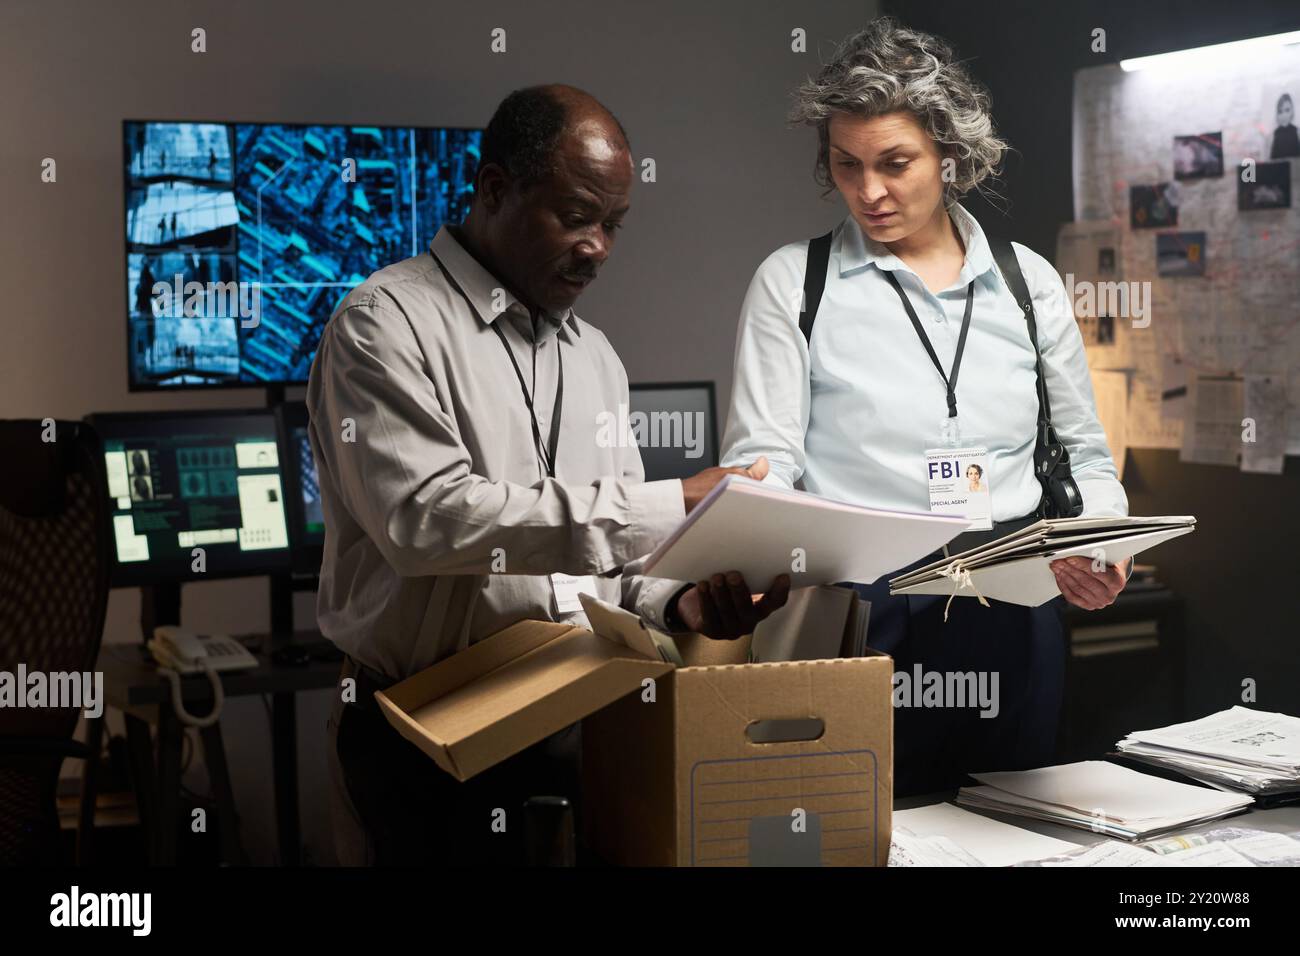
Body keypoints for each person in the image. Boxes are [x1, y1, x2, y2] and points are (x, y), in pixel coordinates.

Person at [308, 84, 789, 865]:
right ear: (495, 190)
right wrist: (674, 501)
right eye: (575, 216)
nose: (598, 244)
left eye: (613, 224)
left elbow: (611, 573)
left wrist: (687, 603)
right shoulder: (383, 324)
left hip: (574, 719)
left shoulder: (595, 358)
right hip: (422, 731)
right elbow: (426, 522)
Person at [720, 20, 1129, 797]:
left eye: (895, 163)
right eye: (847, 164)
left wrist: (1105, 544)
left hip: (1010, 599)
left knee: (1014, 825)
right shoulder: (795, 281)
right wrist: (756, 528)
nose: (869, 191)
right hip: (859, 606)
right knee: (858, 823)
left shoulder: (1028, 282)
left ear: (950, 155)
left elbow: (1084, 455)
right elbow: (764, 459)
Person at [1270, 92, 1299, 159]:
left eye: (1287, 110)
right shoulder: (1276, 133)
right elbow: (1273, 158)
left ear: (1292, 111)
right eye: (1280, 111)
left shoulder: (1296, 131)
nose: (1284, 115)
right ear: (1277, 114)